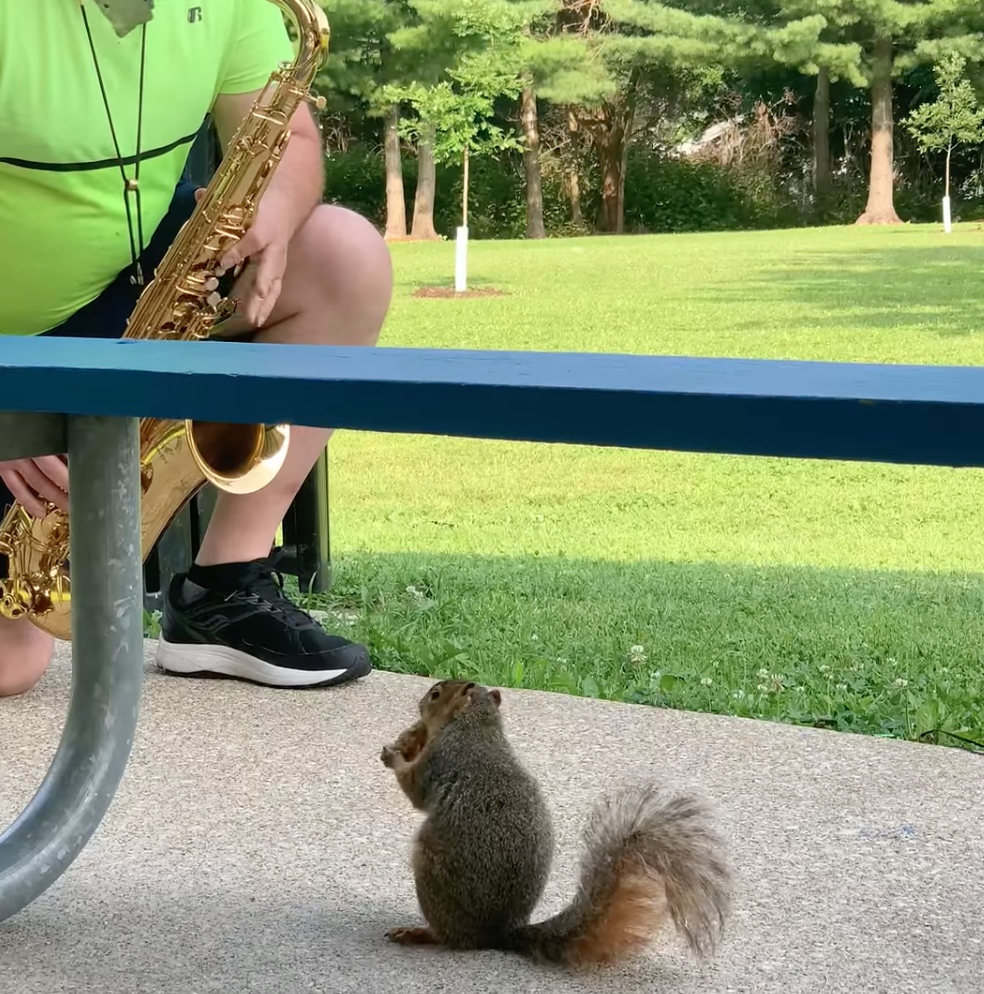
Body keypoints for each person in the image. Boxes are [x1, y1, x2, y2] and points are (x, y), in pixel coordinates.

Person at [0, 0, 394, 697]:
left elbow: (293, 143)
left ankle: (223, 589)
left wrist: (267, 217)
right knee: (12, 662)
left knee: (342, 256)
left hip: (130, 285)